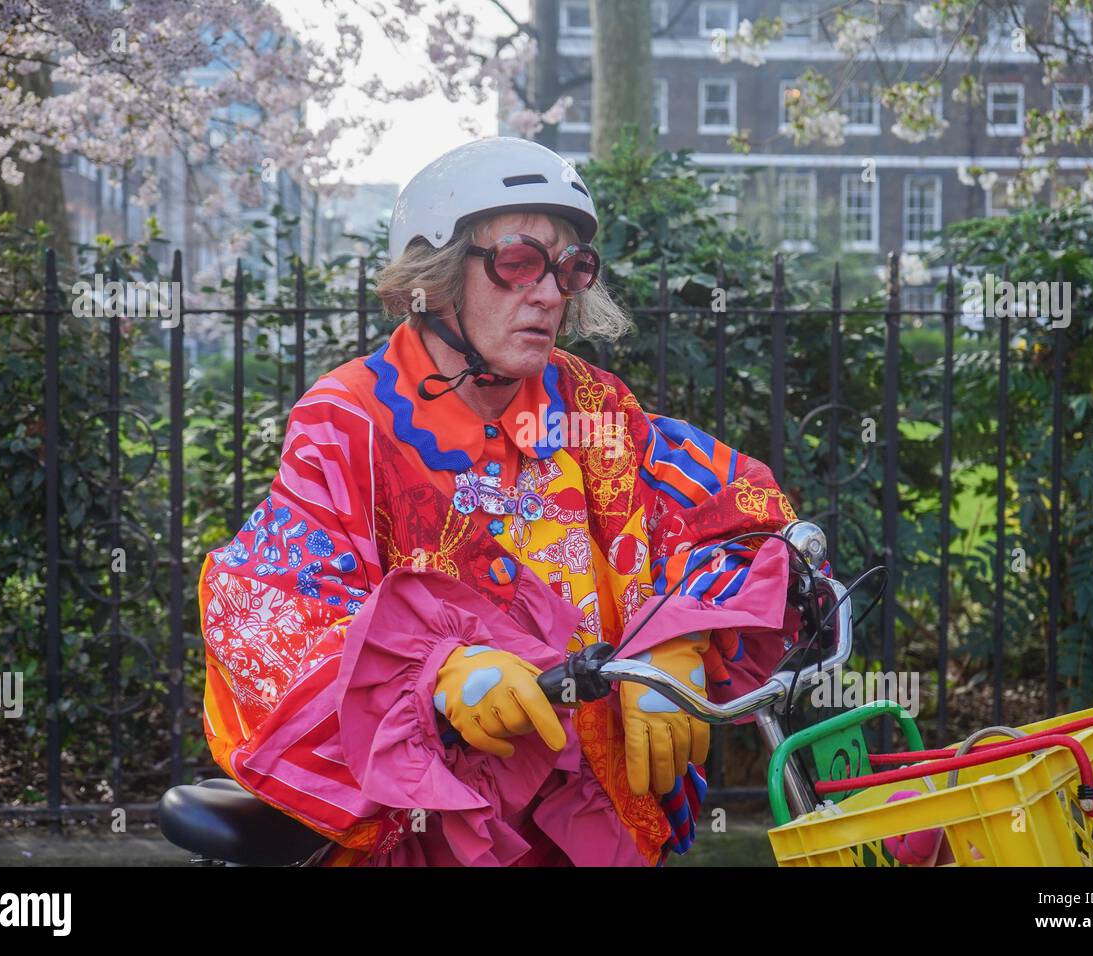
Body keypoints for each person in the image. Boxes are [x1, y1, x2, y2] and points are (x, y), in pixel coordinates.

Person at [197, 136, 805, 867]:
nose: (550, 293)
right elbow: (268, 611)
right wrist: (437, 676)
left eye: (571, 268)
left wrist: (680, 635)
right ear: (439, 274)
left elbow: (733, 514)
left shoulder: (593, 403)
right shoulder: (348, 418)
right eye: (518, 262)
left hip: (593, 815)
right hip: (440, 833)